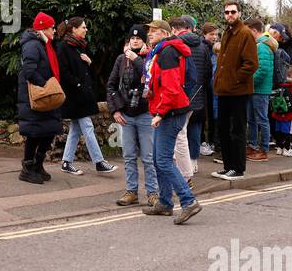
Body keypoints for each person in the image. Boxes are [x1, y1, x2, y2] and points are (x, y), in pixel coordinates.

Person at [139, 21, 202, 225]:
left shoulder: (167, 52)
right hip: (168, 110)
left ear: (164, 33)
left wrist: (160, 112)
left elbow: (172, 87)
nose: (149, 34)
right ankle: (165, 203)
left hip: (171, 112)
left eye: (153, 31)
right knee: (159, 159)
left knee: (164, 160)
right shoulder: (162, 51)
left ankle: (188, 200)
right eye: (149, 31)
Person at [55, 16, 116, 176]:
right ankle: (99, 162)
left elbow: (83, 72)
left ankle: (66, 162)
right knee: (87, 127)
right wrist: (79, 85)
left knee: (75, 130)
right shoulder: (63, 47)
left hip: (81, 95)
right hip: (74, 96)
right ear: (73, 29)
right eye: (83, 27)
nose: (86, 29)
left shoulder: (79, 46)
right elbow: (63, 72)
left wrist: (89, 62)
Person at [107, 25, 156, 207]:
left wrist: (136, 59)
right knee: (128, 156)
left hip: (144, 114)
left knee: (148, 157)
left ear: (144, 41)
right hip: (126, 114)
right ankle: (131, 192)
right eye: (132, 38)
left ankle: (152, 193)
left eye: (139, 38)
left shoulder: (149, 58)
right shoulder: (121, 60)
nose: (135, 41)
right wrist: (115, 110)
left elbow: (150, 76)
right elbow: (111, 86)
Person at [211, 1, 258, 180]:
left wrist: (234, 80)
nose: (229, 15)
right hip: (224, 91)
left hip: (238, 91)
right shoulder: (227, 33)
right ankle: (228, 166)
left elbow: (251, 64)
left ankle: (238, 168)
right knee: (223, 129)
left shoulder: (245, 34)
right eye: (226, 12)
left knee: (237, 130)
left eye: (233, 12)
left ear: (239, 13)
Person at [17, 13, 62, 184]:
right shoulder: (33, 45)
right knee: (34, 132)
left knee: (49, 130)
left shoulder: (44, 44)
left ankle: (37, 164)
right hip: (38, 95)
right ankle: (27, 168)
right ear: (43, 28)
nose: (55, 30)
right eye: (52, 27)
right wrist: (46, 85)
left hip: (46, 94)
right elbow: (29, 71)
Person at [172, 16, 209, 174]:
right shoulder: (202, 46)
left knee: (180, 133)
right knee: (195, 129)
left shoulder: (176, 44)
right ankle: (193, 162)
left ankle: (183, 167)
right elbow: (208, 71)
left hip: (182, 93)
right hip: (198, 94)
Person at [245, 18, 276, 162]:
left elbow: (262, 70)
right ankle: (252, 146)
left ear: (254, 31)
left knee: (262, 119)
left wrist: (248, 82)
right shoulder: (259, 45)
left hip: (259, 90)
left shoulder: (262, 46)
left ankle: (263, 150)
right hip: (254, 89)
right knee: (252, 119)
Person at [198, 22, 219, 156]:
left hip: (213, 88)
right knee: (204, 116)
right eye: (211, 34)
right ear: (204, 34)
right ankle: (203, 142)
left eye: (216, 34)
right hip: (205, 87)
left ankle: (211, 141)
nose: (215, 37)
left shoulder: (213, 48)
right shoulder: (203, 47)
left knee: (212, 116)